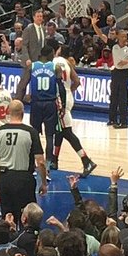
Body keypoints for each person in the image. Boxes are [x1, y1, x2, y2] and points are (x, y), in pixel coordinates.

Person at [0, 99, 47, 222]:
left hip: (5, 179)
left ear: (8, 112)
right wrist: (44, 183)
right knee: (27, 218)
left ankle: (7, 239)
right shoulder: (31, 132)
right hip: (24, 179)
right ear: (23, 113)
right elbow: (40, 161)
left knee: (7, 218)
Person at [53, 45, 99, 176]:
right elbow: (77, 82)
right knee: (60, 130)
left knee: (66, 132)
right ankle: (55, 160)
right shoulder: (68, 63)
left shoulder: (53, 62)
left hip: (59, 98)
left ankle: (86, 161)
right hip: (67, 96)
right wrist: (69, 91)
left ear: (59, 51)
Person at [22, 43, 61, 168]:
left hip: (36, 103)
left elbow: (22, 85)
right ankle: (48, 165)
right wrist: (63, 105)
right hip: (50, 104)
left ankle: (31, 164)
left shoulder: (32, 66)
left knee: (34, 134)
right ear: (50, 54)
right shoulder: (55, 67)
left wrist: (20, 100)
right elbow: (61, 88)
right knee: (50, 136)